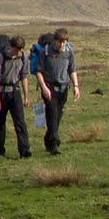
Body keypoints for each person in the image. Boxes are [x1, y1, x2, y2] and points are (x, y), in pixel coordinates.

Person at [34, 26, 80, 154]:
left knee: (57, 117)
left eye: (64, 42)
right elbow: (38, 71)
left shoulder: (69, 53)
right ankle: (54, 144)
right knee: (53, 114)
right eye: (60, 42)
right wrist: (43, 87)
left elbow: (72, 70)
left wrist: (76, 86)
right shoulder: (46, 52)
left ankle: (48, 139)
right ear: (55, 40)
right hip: (49, 88)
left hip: (63, 88)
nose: (62, 44)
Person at [0, 35, 31, 158]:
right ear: (11, 47)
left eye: (20, 50)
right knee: (0, 123)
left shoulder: (23, 58)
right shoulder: (0, 58)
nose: (17, 52)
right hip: (1, 92)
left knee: (20, 122)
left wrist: (26, 96)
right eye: (16, 50)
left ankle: (25, 150)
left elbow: (24, 77)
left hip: (15, 92)